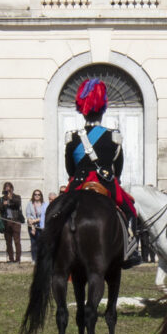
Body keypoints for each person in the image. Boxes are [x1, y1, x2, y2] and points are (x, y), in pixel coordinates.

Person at [61, 78, 140, 226]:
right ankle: (131, 244)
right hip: (106, 183)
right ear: (102, 111)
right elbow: (118, 168)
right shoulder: (113, 137)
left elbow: (70, 169)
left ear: (82, 112)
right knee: (131, 212)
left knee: (56, 214)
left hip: (78, 183)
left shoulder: (72, 137)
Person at [0, 183, 24, 263]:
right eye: (6, 189)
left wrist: (10, 198)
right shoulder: (2, 199)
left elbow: (18, 204)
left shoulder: (17, 197)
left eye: (9, 188)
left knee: (17, 241)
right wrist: (3, 204)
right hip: (6, 221)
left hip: (15, 220)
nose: (7, 190)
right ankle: (11, 258)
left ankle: (18, 259)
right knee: (8, 241)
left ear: (12, 189)